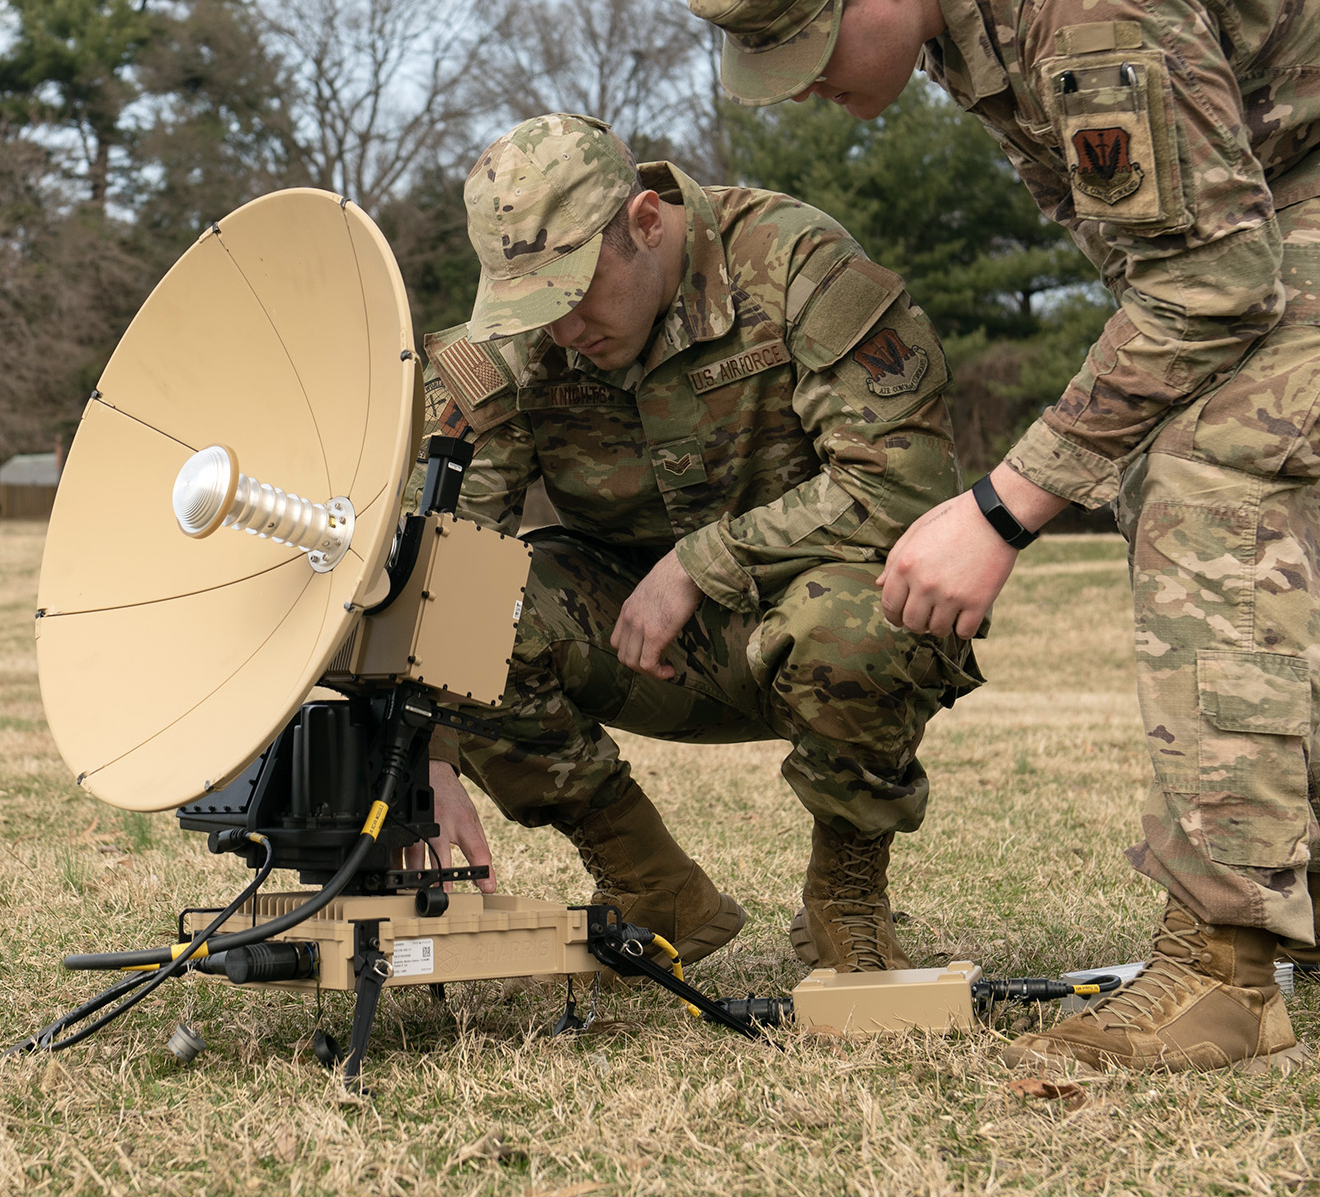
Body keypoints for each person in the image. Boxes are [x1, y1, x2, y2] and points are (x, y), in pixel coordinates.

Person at [682, 0, 1320, 1069]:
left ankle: (1223, 971)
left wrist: (999, 509)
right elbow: (1144, 228)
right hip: (1288, 148)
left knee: (1220, 479)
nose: (807, 91)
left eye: (813, 54)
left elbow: (1208, 282)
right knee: (1174, 464)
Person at [412, 111, 980, 973]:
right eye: (535, 307)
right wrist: (426, 752)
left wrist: (700, 562)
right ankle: (655, 889)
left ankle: (847, 897)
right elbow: (449, 556)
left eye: (574, 294)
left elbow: (905, 490)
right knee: (481, 612)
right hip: (633, 643)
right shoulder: (520, 342)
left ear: (646, 222)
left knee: (860, 622)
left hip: (810, 620)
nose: (562, 330)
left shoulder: (796, 265)